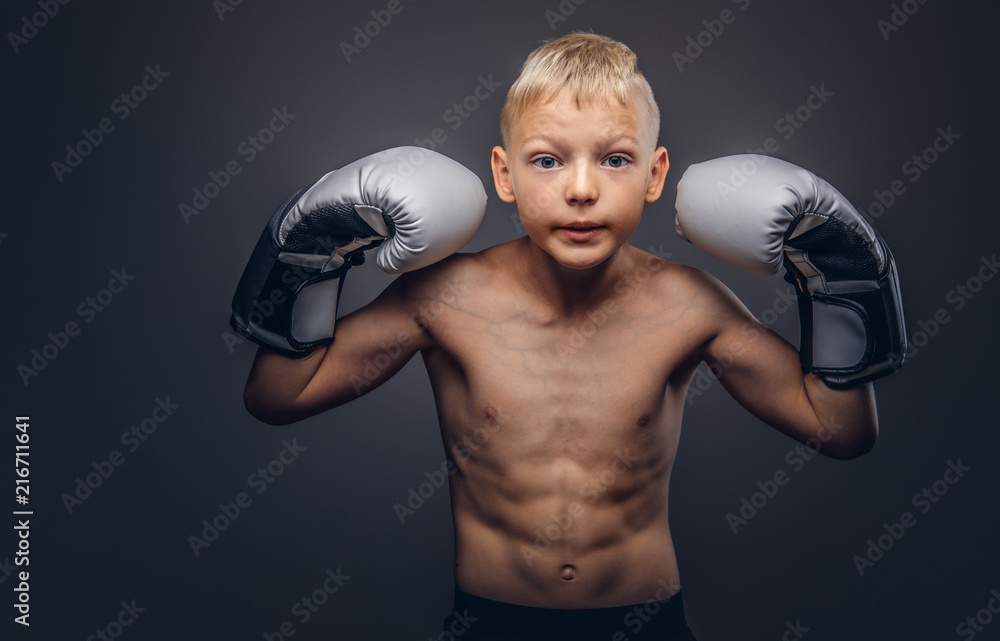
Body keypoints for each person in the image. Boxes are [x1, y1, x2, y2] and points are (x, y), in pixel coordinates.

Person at [230, 32, 905, 641]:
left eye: (615, 159)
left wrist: (834, 276)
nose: (581, 189)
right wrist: (315, 257)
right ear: (504, 174)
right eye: (547, 161)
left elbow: (841, 429)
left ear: (655, 174)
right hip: (491, 623)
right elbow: (278, 394)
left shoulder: (688, 304)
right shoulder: (446, 298)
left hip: (647, 623)